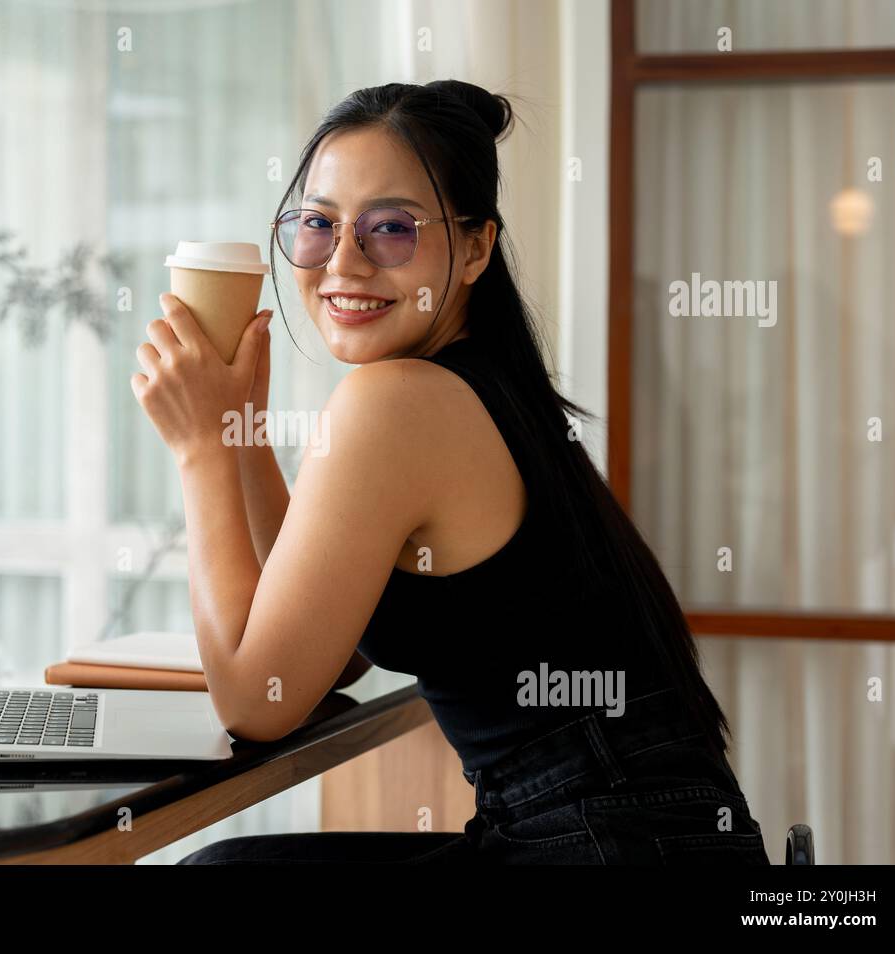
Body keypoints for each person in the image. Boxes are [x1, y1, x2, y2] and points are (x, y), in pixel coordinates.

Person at [130, 79, 770, 864]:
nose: (341, 262)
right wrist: (243, 431)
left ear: (476, 248)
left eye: (391, 228)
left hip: (603, 844)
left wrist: (200, 452)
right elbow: (324, 652)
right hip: (630, 832)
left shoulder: (398, 403)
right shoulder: (475, 386)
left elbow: (257, 704)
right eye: (317, 224)